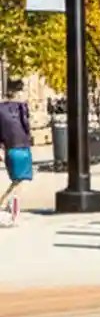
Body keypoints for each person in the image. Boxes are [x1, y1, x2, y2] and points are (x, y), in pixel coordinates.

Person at [0, 80, 34, 226]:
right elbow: (26, 125)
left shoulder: (1, 109)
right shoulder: (21, 108)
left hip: (10, 148)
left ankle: (4, 202)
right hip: (22, 146)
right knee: (19, 183)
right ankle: (13, 213)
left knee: (17, 180)